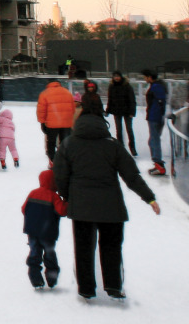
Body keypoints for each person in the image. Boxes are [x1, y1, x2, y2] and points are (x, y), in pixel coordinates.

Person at [53, 110, 160, 300]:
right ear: (103, 124)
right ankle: (113, 286)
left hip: (82, 207)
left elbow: (60, 176)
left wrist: (68, 196)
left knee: (83, 248)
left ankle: (86, 289)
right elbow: (131, 176)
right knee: (111, 247)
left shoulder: (69, 144)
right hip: (111, 207)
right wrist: (149, 198)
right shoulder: (113, 145)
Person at [21, 169, 67, 289]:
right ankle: (52, 279)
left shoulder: (32, 193)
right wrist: (66, 201)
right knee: (50, 254)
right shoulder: (54, 196)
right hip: (48, 233)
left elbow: (24, 209)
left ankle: (35, 279)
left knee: (34, 253)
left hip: (32, 231)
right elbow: (62, 211)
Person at [36, 79, 75, 165]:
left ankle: (52, 160)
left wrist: (42, 122)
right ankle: (65, 160)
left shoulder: (45, 93)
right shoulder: (67, 92)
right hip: (66, 123)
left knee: (51, 142)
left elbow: (41, 110)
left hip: (52, 124)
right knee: (65, 142)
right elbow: (72, 108)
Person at [140, 69, 168, 176]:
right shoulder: (157, 86)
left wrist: (159, 114)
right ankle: (157, 163)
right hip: (154, 116)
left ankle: (159, 165)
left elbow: (161, 101)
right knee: (152, 141)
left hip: (155, 117)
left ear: (149, 77)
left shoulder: (157, 87)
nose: (144, 79)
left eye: (145, 77)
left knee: (154, 141)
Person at [105, 71, 138, 157]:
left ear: (121, 77)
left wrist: (132, 112)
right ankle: (120, 148)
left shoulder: (127, 86)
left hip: (127, 111)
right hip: (117, 111)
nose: (116, 78)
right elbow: (110, 99)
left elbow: (132, 99)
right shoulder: (111, 86)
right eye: (115, 76)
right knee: (118, 130)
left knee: (129, 130)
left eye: (118, 76)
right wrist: (108, 110)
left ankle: (132, 148)